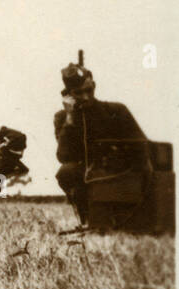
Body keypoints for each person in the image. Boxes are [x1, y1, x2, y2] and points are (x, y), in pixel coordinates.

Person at [54, 62, 145, 225]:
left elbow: (141, 147)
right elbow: (63, 156)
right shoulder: (63, 118)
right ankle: (87, 218)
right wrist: (70, 118)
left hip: (120, 170)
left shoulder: (116, 110)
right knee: (65, 172)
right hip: (87, 172)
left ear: (94, 85)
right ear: (68, 94)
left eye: (89, 90)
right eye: (79, 93)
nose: (86, 97)